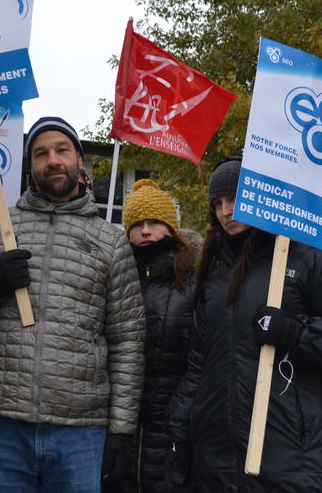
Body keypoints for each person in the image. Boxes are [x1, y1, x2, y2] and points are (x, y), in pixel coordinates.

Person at [0, 115, 145, 492]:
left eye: (62, 150)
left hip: (79, 433)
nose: (52, 160)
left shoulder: (111, 241)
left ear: (80, 160)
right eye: (41, 153)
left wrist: (123, 430)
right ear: (30, 165)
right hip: (1, 427)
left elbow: (127, 341)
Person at [166, 157, 322, 492]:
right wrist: (180, 427)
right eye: (217, 204)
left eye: (234, 199)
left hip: (288, 459)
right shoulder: (213, 274)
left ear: (259, 197)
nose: (225, 212)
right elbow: (198, 364)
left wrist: (295, 332)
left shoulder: (307, 260)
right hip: (217, 461)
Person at [114, 178, 199, 493]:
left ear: (171, 228)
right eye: (137, 224)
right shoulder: (115, 278)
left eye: (154, 222)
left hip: (174, 429)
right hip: (122, 431)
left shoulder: (194, 282)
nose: (145, 231)